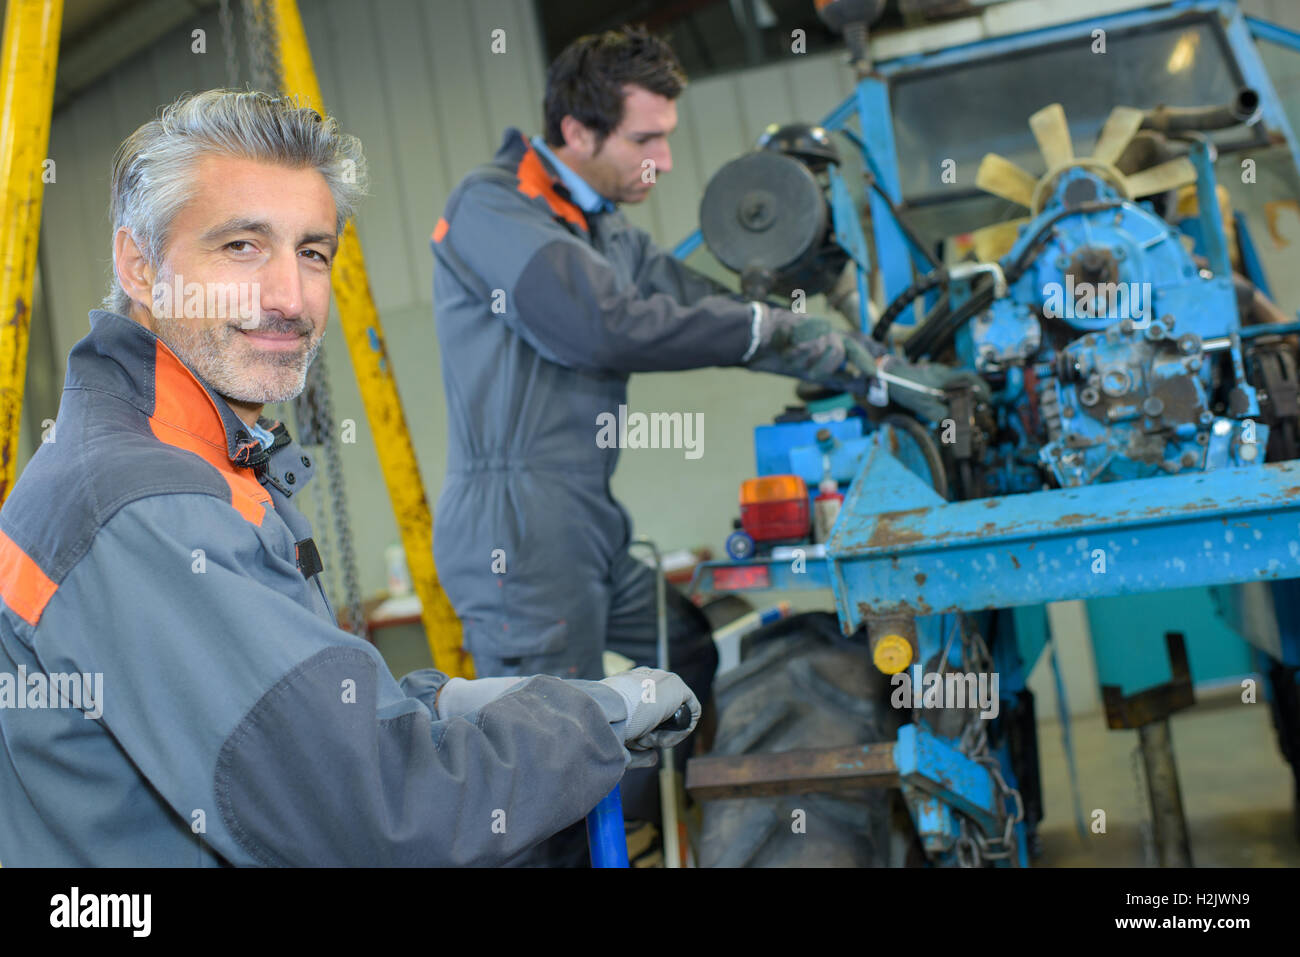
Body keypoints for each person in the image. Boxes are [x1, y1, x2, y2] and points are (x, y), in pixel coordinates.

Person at [0, 89, 699, 868]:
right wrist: (587, 718)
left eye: (312, 251)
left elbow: (281, 722)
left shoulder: (195, 461)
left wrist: (434, 702)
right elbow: (376, 817)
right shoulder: (147, 501)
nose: (290, 298)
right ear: (139, 264)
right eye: (240, 246)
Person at [430, 26, 970, 861]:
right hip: (517, 520)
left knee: (683, 649)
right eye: (645, 140)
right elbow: (596, 325)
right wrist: (764, 327)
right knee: (543, 749)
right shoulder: (494, 207)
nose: (664, 162)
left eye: (667, 139)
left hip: (587, 514)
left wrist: (834, 348)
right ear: (578, 132)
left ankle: (644, 824)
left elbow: (698, 308)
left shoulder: (605, 229)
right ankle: (583, 836)